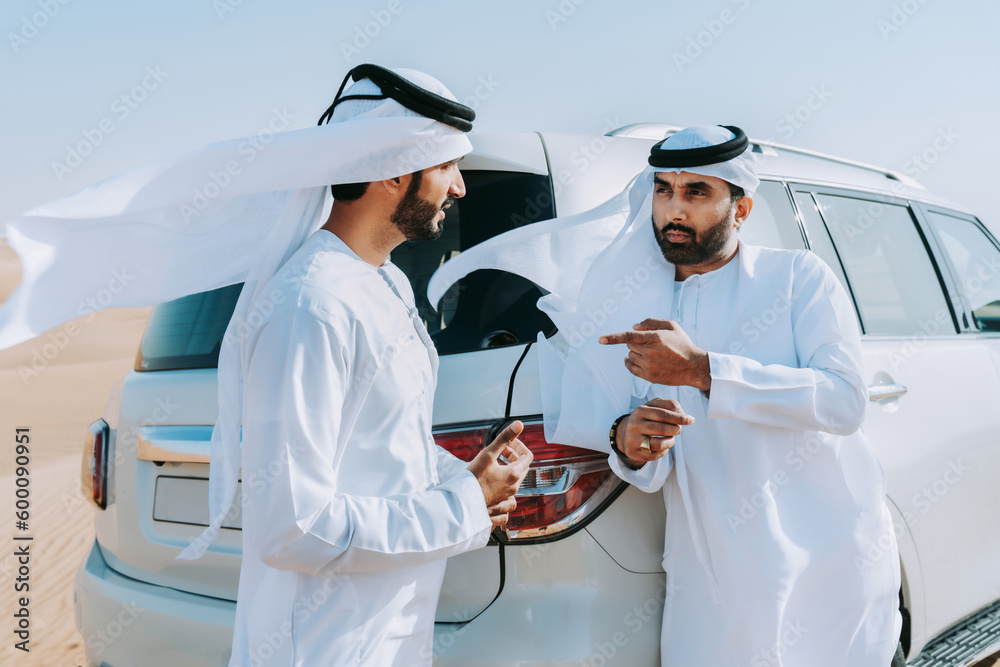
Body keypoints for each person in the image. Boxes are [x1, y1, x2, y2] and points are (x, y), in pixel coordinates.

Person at [0, 65, 532, 666]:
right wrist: (460, 507)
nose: (458, 187)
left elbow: (379, 448)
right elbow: (294, 526)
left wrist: (469, 479)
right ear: (391, 171)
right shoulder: (311, 305)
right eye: (446, 167)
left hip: (388, 635)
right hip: (321, 645)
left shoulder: (384, 285)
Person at [429, 125, 901, 665]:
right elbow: (636, 456)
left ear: (741, 208)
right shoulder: (622, 306)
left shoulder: (798, 279)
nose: (674, 209)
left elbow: (843, 400)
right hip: (713, 578)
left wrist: (703, 370)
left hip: (824, 559)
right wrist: (627, 441)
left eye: (696, 192)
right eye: (663, 190)